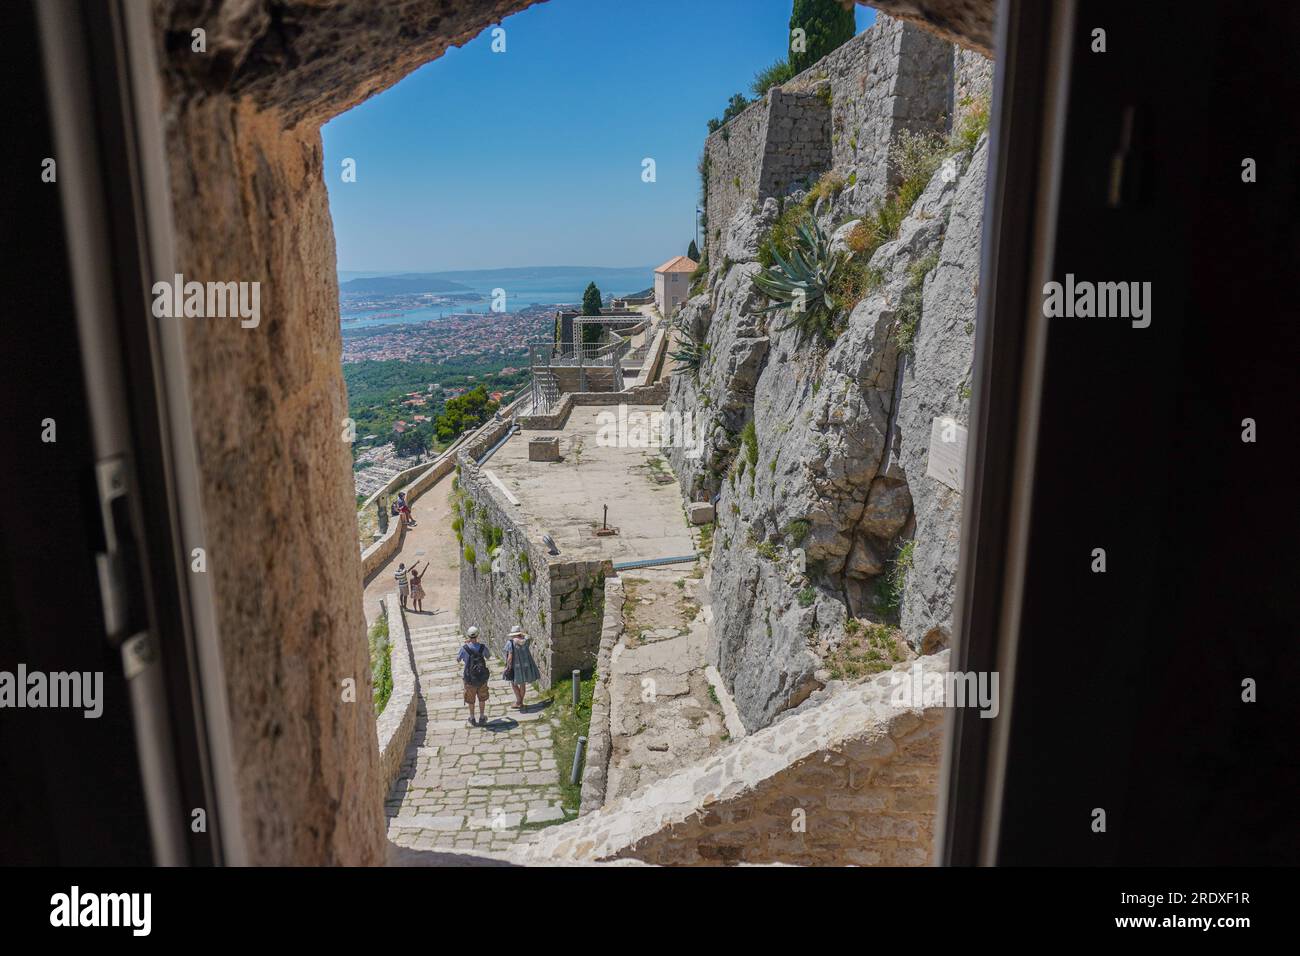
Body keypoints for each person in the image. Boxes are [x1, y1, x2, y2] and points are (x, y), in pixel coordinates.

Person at [457, 626, 491, 727]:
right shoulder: (482, 647)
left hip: (469, 678)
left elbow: (458, 659)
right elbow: (488, 656)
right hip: (481, 678)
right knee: (482, 698)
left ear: (468, 636)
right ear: (477, 635)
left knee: (470, 699)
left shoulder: (464, 648)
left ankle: (472, 718)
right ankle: (481, 717)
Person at [502, 624, 540, 711]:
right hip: (526, 666)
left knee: (513, 683)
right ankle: (520, 702)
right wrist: (522, 635)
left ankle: (518, 702)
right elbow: (528, 637)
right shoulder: (525, 641)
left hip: (516, 667)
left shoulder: (510, 643)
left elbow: (510, 657)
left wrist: (508, 667)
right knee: (522, 684)